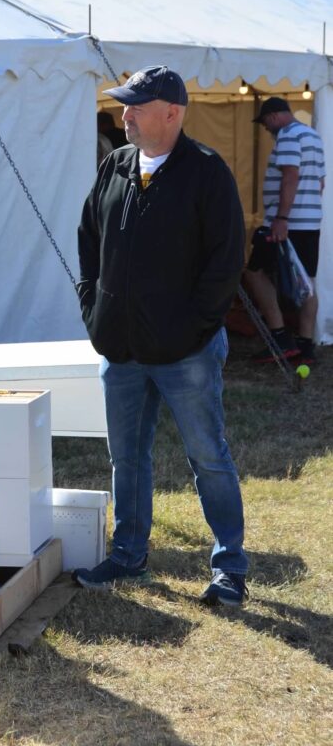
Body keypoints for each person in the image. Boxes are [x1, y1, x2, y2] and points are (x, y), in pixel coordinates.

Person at [73, 65, 248, 606]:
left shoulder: (206, 171)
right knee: (126, 457)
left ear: (171, 114)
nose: (124, 114)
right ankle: (128, 555)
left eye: (136, 106)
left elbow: (225, 262)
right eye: (124, 104)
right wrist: (93, 309)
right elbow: (88, 239)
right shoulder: (116, 166)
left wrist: (193, 330)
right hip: (120, 349)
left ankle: (229, 570)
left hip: (184, 354)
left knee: (208, 457)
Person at [244, 96, 326, 366]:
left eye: (266, 124)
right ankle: (305, 346)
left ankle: (280, 339)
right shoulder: (313, 136)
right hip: (310, 222)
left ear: (274, 116)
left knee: (254, 272)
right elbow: (321, 183)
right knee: (307, 283)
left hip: (286, 224)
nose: (267, 129)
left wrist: (281, 217)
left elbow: (291, 175)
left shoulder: (289, 135)